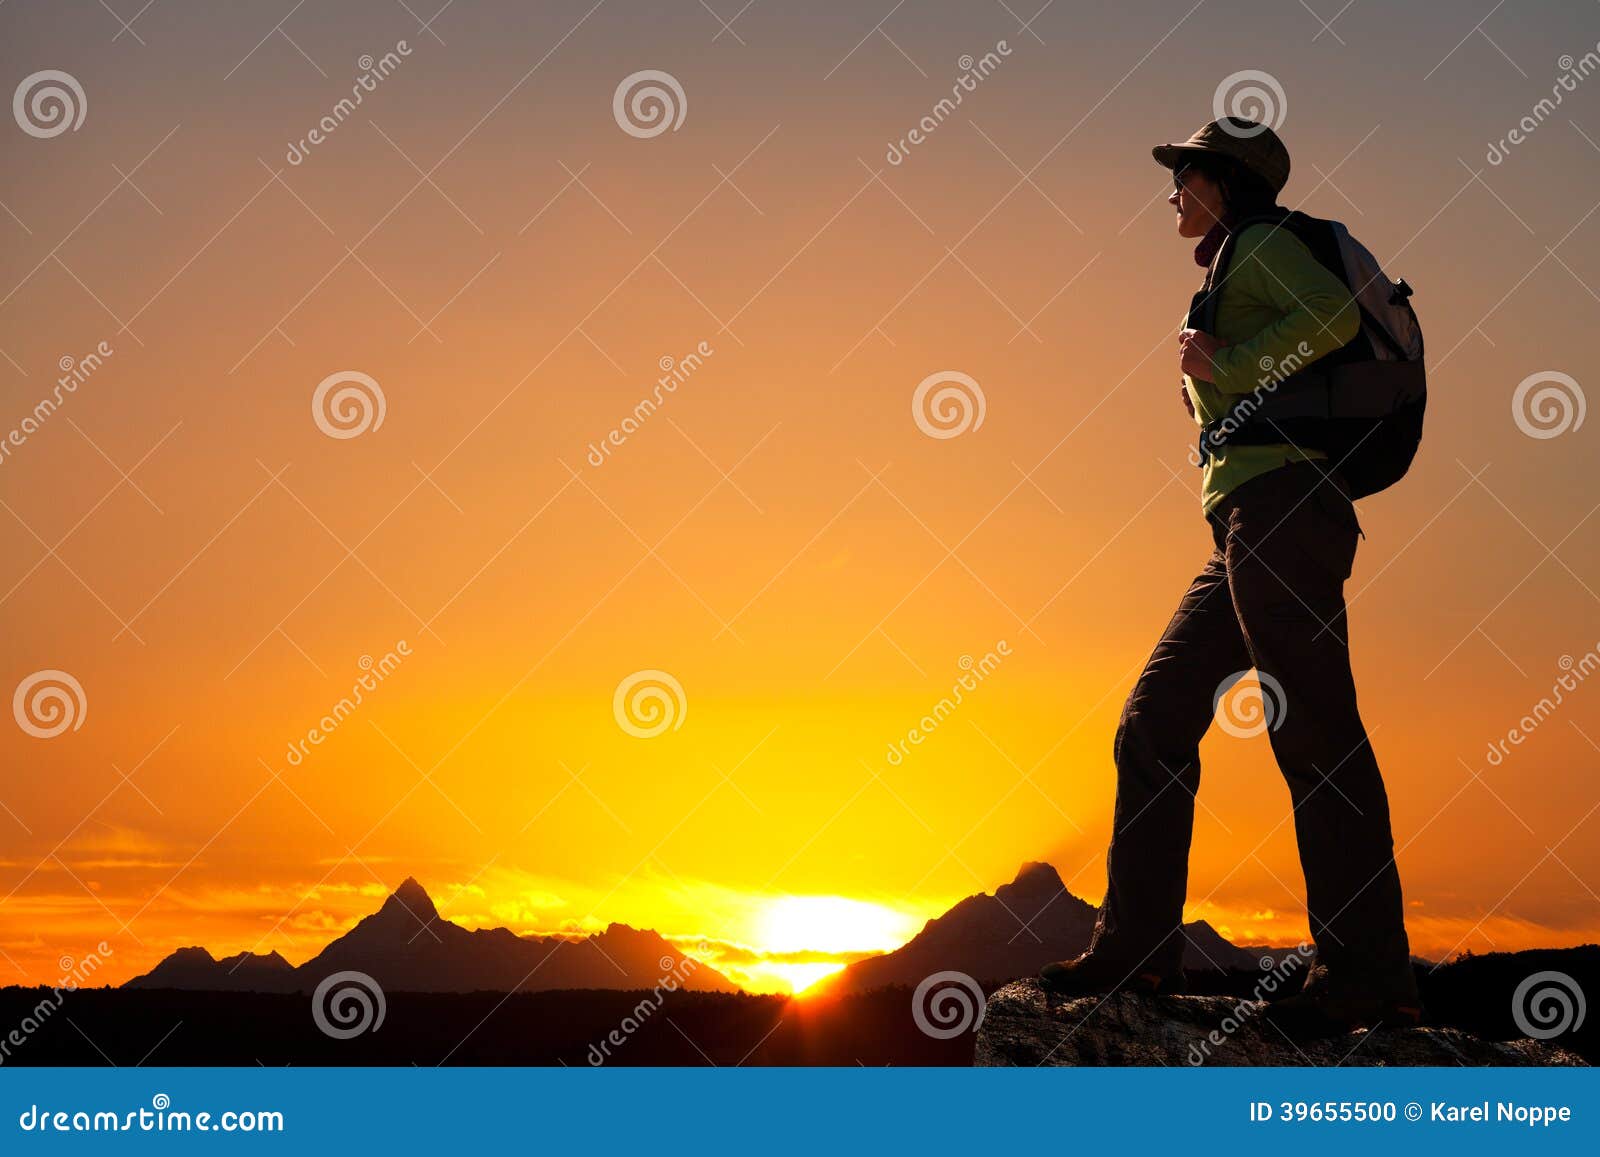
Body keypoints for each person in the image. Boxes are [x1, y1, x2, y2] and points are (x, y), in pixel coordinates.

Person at [1038, 118, 1422, 1033]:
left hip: (1285, 513)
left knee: (1314, 727)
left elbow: (1329, 320)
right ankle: (1134, 958)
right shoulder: (1231, 265)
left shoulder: (1257, 244)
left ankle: (1366, 971)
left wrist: (1230, 366)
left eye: (1186, 174)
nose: (1173, 191)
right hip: (1250, 526)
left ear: (1228, 183)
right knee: (1155, 716)